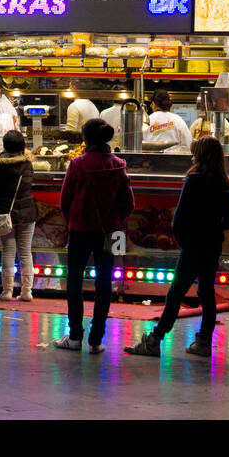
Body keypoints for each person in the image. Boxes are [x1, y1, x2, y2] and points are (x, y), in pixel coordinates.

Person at [126, 136, 229, 358]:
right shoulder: (226, 186)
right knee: (207, 293)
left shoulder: (194, 180)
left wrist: (184, 240)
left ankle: (155, 340)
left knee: (176, 292)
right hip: (213, 245)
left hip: (193, 245)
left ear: (199, 156)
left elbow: (180, 218)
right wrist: (212, 228)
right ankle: (204, 341)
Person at [53, 118, 134, 353]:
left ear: (86, 139)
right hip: (110, 232)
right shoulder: (119, 165)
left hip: (79, 230)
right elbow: (128, 203)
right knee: (105, 282)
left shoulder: (77, 164)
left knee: (75, 282)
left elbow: (64, 201)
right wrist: (116, 221)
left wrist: (73, 221)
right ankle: (96, 340)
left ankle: (75, 336)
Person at [0, 129, 36, 302]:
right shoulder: (28, 164)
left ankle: (7, 291)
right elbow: (29, 184)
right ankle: (26, 291)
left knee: (8, 251)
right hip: (27, 211)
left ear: (5, 145)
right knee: (25, 251)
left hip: (4, 211)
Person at [143, 90, 193, 154]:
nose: (150, 106)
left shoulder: (147, 121)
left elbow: (140, 143)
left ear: (154, 104)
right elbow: (188, 143)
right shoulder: (178, 120)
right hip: (174, 160)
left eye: (151, 104)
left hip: (151, 160)